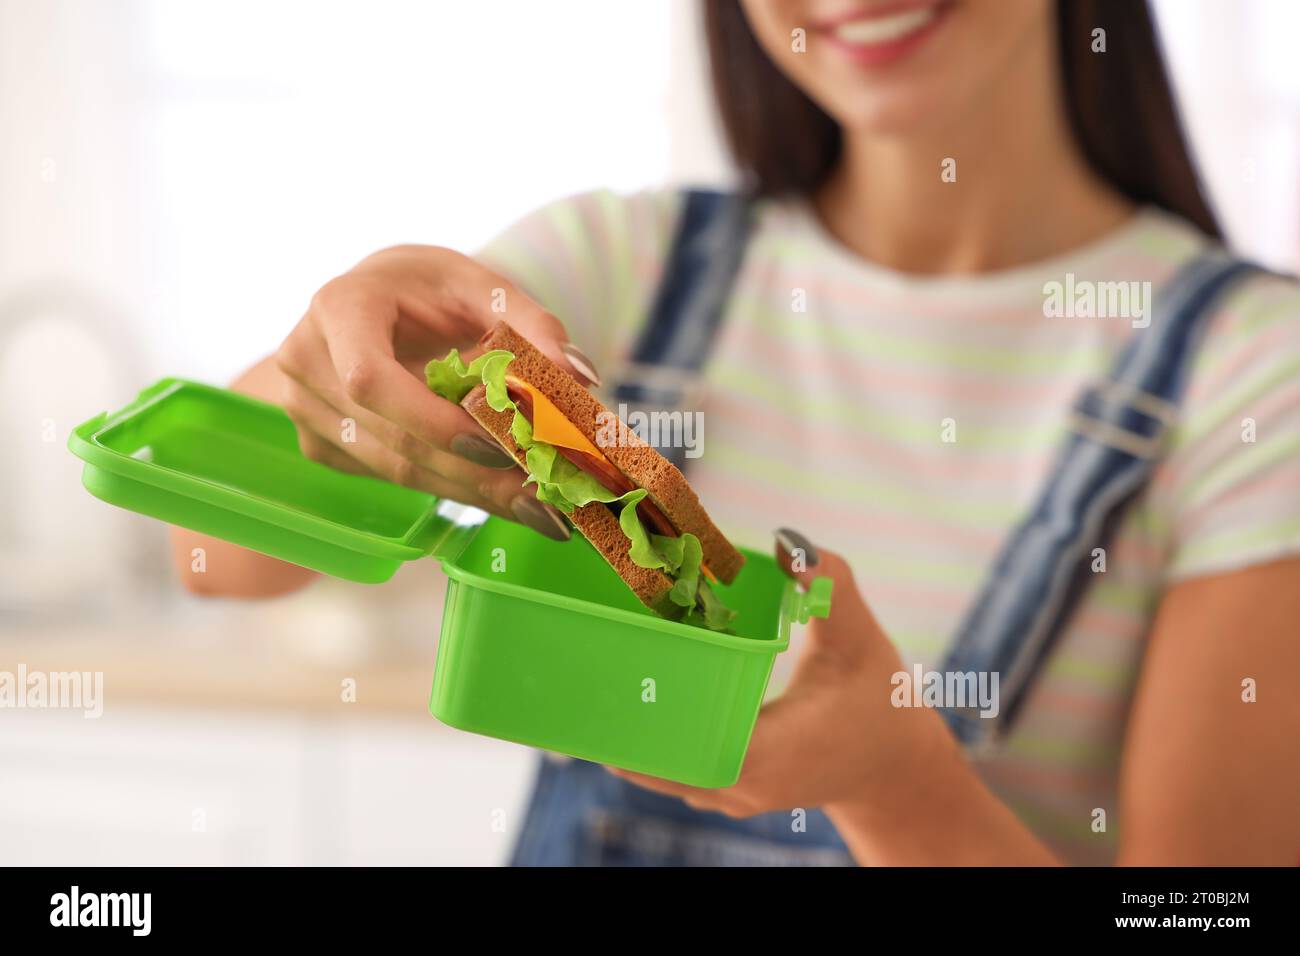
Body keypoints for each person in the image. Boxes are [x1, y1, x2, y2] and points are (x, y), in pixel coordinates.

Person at [173, 0, 1300, 865]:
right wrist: (332, 358)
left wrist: (899, 785)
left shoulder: (1253, 369)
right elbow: (214, 558)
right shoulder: (615, 270)